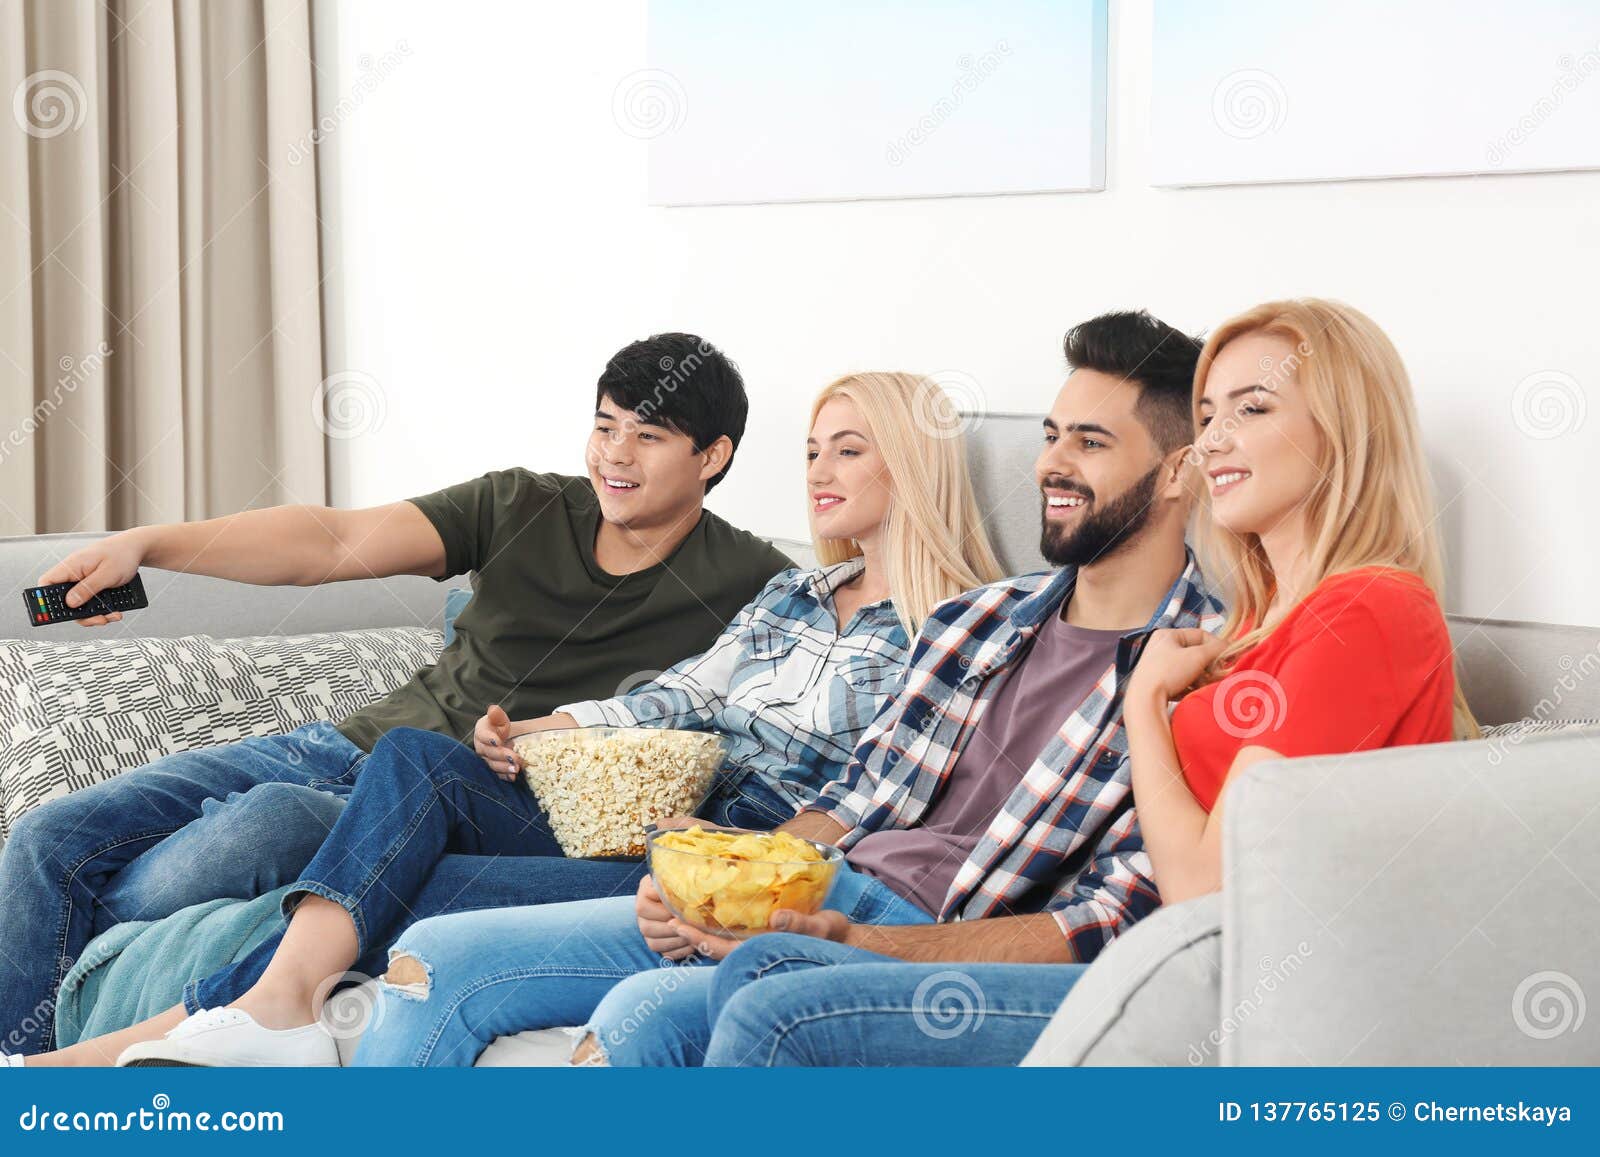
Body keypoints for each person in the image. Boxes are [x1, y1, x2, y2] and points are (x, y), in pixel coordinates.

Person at [21, 372, 1001, 1067]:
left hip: (722, 846)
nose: (616, 454)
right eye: (814, 448)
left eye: (849, 448)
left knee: (345, 855)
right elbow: (680, 697)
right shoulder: (794, 594)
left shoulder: (957, 624)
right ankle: (232, 1017)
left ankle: (151, 1039)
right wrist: (549, 727)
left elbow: (881, 796)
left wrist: (742, 862)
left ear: (712, 458)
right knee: (64, 832)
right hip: (542, 793)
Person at [342, 309, 1227, 1068]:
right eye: (1051, 436)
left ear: (1183, 469)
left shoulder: (1201, 671)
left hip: (920, 939)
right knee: (426, 959)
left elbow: (1114, 916)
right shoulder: (982, 622)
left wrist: (864, 942)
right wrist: (726, 875)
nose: (1052, 465)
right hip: (812, 887)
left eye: (1092, 441)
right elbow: (851, 802)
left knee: (640, 1020)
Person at [690, 298, 1477, 1067]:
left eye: (1254, 409)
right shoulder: (1258, 626)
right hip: (1171, 967)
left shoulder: (1366, 609)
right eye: (1208, 417)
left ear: (1342, 436)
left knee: (778, 1012)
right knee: (754, 975)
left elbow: (1202, 890)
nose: (1215, 442)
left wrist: (1141, 702)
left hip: (1231, 1005)